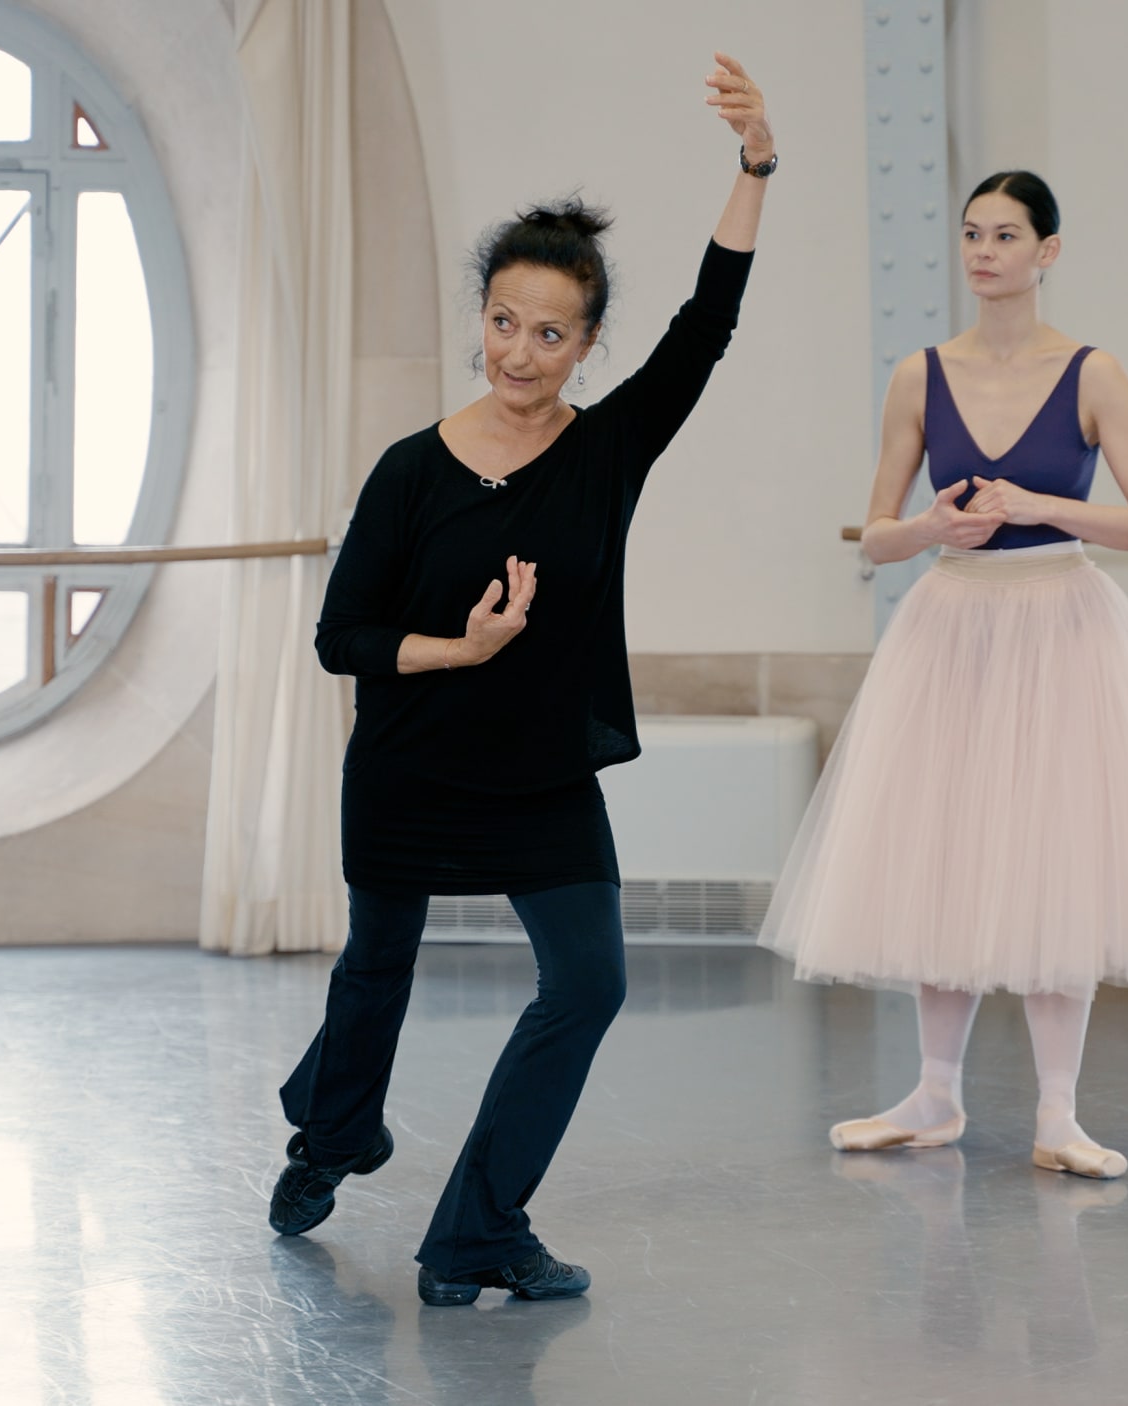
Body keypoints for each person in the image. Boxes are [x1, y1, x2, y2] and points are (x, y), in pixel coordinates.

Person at [266, 53, 777, 1307]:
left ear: (587, 345)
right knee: (372, 976)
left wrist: (756, 163)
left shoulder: (607, 453)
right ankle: (329, 1136)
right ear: (480, 316)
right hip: (407, 763)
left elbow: (706, 324)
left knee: (590, 982)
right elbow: (342, 639)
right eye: (504, 322)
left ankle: (476, 1230)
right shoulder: (407, 470)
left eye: (551, 333)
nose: (520, 350)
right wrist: (460, 649)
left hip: (539, 771)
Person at [758, 171, 1128, 1180]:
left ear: (1048, 250)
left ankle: (1058, 1112)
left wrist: (1044, 501)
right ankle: (935, 1091)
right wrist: (933, 527)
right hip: (951, 622)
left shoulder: (1092, 374)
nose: (983, 251)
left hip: (1060, 622)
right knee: (943, 851)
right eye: (971, 234)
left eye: (1005, 234)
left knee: (1055, 857)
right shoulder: (919, 374)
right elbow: (876, 530)